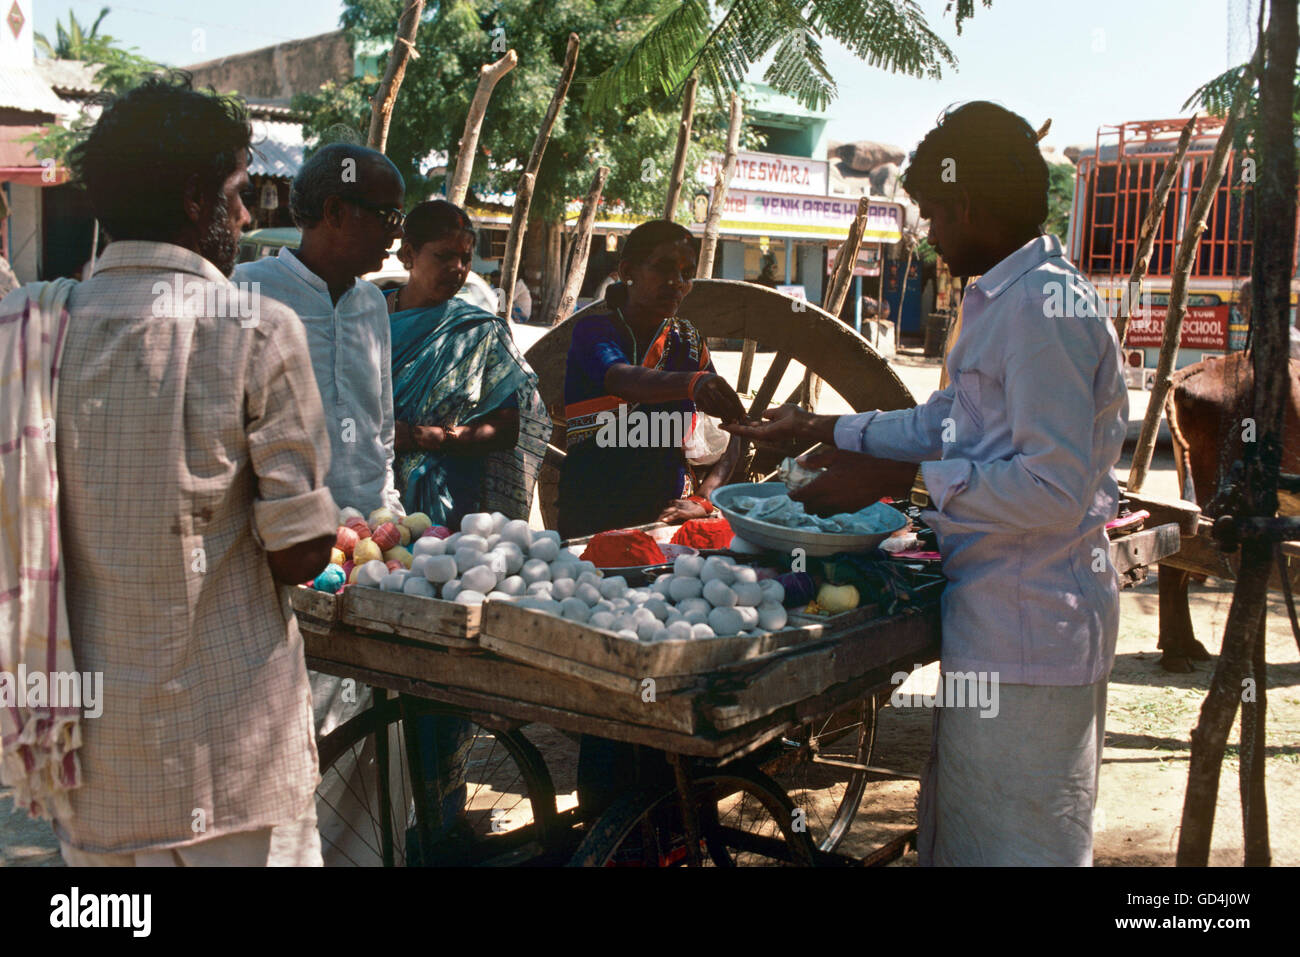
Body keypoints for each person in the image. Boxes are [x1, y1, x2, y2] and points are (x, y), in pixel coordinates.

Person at [727, 102, 1128, 866]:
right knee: (967, 833)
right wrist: (826, 428)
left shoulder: (1045, 310)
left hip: (1034, 628)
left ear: (969, 207)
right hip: (996, 620)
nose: (932, 234)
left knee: (1015, 847)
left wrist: (902, 479)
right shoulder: (1005, 298)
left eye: (936, 214)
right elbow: (949, 419)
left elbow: (1054, 489)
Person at [0, 76, 337, 865]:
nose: (249, 215)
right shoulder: (257, 329)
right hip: (229, 758)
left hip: (91, 760)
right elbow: (301, 554)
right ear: (196, 199)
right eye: (239, 192)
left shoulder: (27, 330)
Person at [234, 143, 406, 517]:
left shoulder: (372, 302)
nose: (396, 235)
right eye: (388, 216)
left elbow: (381, 424)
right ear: (335, 212)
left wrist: (388, 505)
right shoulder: (245, 291)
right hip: (286, 537)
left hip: (370, 533)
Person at [557, 219, 747, 540]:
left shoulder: (689, 341)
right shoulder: (594, 332)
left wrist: (704, 498)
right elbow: (622, 379)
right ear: (628, 270)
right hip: (590, 519)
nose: (677, 282)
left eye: (686, 273)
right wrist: (692, 383)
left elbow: (738, 428)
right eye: (663, 268)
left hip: (663, 523)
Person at [387, 199, 548, 527]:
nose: (458, 268)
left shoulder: (480, 331)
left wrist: (423, 436)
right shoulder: (367, 316)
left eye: (465, 258)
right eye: (444, 256)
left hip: (453, 502)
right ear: (407, 255)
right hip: (373, 487)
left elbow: (506, 429)